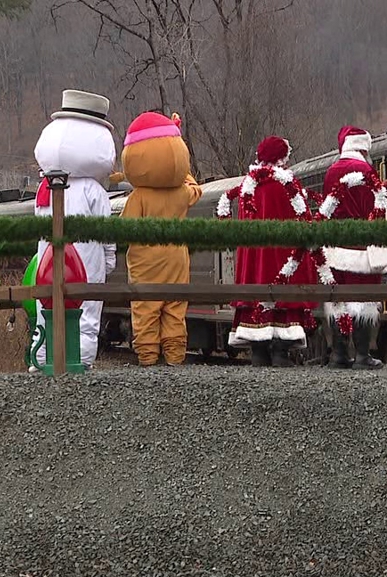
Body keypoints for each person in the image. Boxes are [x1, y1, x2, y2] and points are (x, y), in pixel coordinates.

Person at [31, 89, 118, 370]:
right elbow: (104, 230)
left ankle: (43, 357)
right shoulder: (93, 190)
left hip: (47, 260)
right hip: (86, 261)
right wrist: (109, 259)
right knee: (86, 309)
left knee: (47, 307)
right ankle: (79, 360)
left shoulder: (43, 189)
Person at [216, 136, 317, 367]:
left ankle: (259, 352)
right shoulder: (287, 185)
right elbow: (303, 221)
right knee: (283, 297)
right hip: (282, 257)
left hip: (254, 258)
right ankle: (281, 351)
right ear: (281, 158)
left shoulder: (248, 187)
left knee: (256, 292)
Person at [117, 111, 203, 366]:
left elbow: (125, 228)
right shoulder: (182, 193)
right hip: (177, 262)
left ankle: (148, 357)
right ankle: (175, 357)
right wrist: (184, 174)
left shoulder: (139, 197)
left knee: (146, 309)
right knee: (175, 310)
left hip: (146, 266)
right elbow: (196, 190)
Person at [318, 125, 387, 369]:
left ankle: (338, 353)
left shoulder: (331, 172)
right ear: (364, 147)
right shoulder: (366, 171)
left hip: (335, 249)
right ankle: (362, 355)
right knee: (364, 301)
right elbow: (375, 211)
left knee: (338, 301)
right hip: (361, 250)